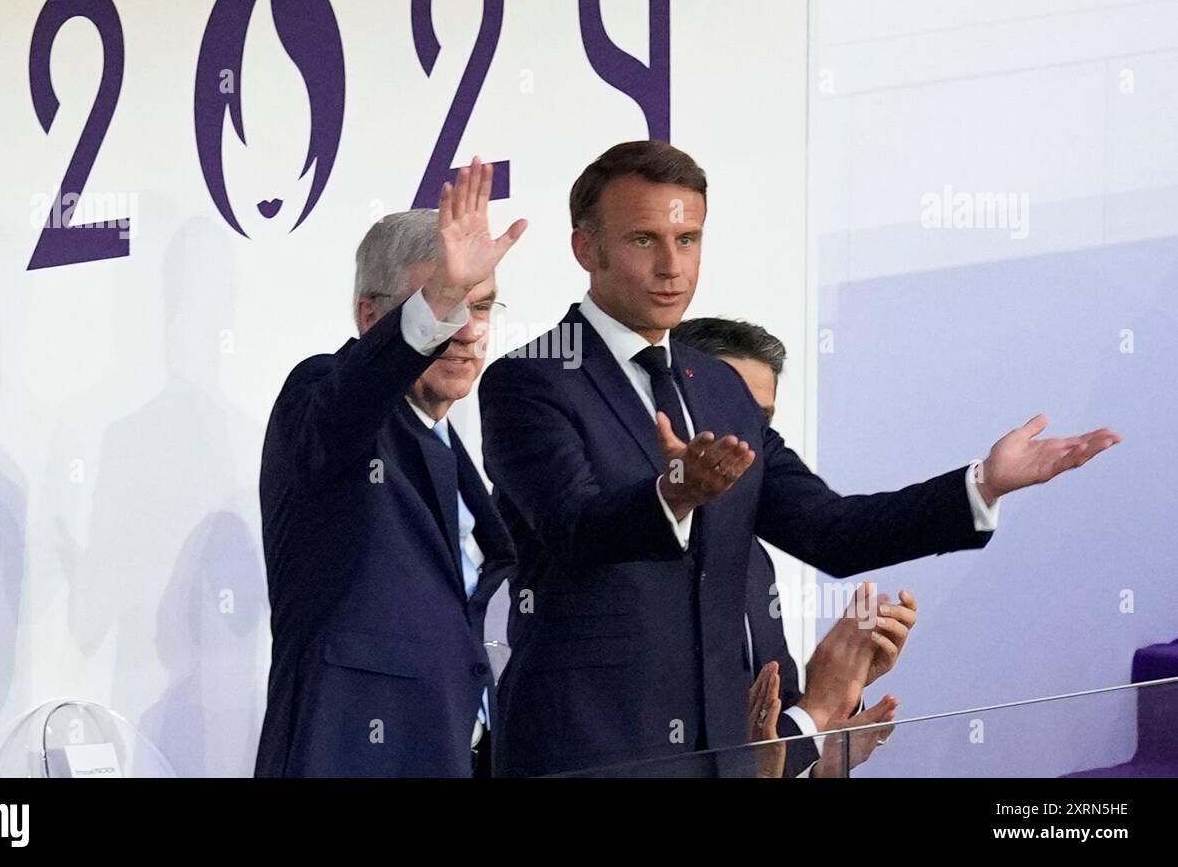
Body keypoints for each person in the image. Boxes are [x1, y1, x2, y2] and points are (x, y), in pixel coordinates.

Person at [478, 139, 1121, 777]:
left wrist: (983, 484)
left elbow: (831, 531)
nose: (672, 266)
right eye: (644, 240)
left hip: (726, 754)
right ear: (585, 248)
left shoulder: (722, 387)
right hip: (589, 752)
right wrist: (673, 494)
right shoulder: (530, 378)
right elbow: (575, 526)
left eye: (689, 239)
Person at [255, 159, 526, 777]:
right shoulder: (326, 395)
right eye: (443, 306)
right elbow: (349, 401)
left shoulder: (453, 446)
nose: (465, 330)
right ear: (373, 318)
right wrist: (437, 304)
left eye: (480, 306)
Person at [676, 316, 912, 777]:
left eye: (759, 423)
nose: (744, 444)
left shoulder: (750, 556)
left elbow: (774, 748)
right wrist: (817, 714)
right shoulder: (625, 558)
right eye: (728, 415)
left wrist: (842, 699)